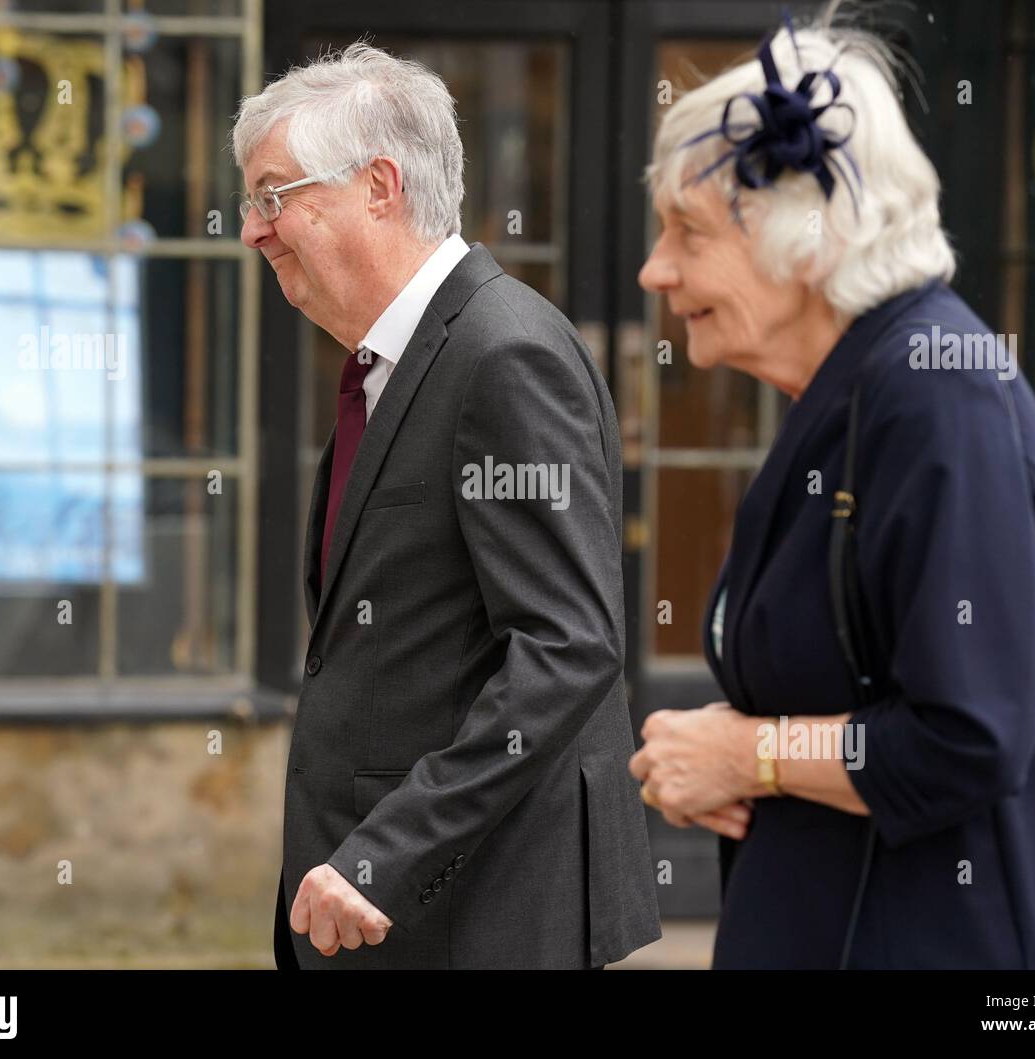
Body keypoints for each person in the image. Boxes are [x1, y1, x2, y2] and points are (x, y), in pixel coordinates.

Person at [630, 10, 1035, 969]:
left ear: (806, 237)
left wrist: (743, 754)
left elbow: (969, 736)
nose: (655, 268)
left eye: (688, 231)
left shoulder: (936, 396)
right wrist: (729, 749)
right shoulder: (861, 388)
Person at [234, 42, 660, 969]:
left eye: (274, 196)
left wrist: (385, 856)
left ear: (379, 186)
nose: (252, 231)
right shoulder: (391, 360)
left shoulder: (505, 357)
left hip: (476, 911)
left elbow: (566, 647)